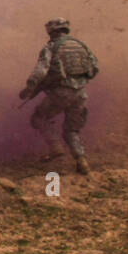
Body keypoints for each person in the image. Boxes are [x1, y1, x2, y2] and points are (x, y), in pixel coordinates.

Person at [19, 18, 99, 175]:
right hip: (81, 93)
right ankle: (81, 161)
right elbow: (94, 68)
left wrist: (29, 89)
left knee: (39, 118)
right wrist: (79, 81)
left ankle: (55, 147)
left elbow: (40, 71)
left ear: (51, 31)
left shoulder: (51, 47)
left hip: (61, 92)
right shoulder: (80, 45)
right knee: (71, 130)